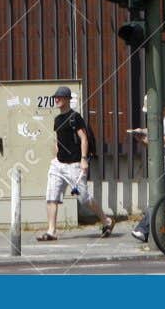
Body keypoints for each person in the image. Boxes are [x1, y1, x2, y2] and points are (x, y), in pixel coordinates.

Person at [39, 86, 114, 241]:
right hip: (58, 164)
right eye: (56, 97)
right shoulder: (57, 119)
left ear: (67, 99)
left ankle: (106, 220)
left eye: (59, 97)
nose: (57, 99)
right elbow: (58, 140)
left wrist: (84, 160)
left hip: (74, 165)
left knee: (84, 198)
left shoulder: (75, 117)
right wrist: (56, 156)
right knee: (51, 196)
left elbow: (84, 138)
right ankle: (51, 231)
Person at [129, 97, 165, 242]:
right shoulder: (155, 120)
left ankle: (143, 229)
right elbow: (154, 144)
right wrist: (141, 139)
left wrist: (155, 134)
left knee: (156, 196)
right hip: (159, 164)